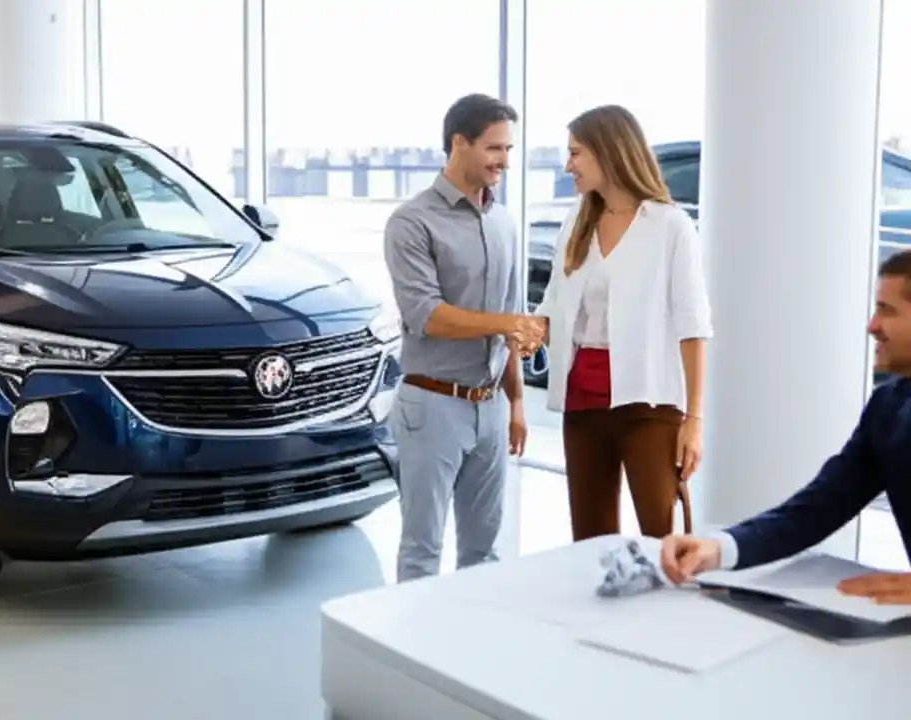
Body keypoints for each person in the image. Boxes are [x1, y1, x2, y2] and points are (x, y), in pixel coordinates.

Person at [662, 250, 911, 603]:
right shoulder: (887, 409)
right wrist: (719, 548)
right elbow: (821, 506)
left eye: (886, 310)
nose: (872, 326)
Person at [533, 104, 713, 541]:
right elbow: (553, 307)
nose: (567, 165)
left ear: (609, 153)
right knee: (590, 540)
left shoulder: (670, 226)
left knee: (661, 537)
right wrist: (530, 329)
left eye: (576, 153)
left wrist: (694, 420)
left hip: (649, 406)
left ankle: (663, 611)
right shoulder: (577, 222)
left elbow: (693, 326)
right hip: (582, 402)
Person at [383, 93, 543, 583]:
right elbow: (426, 314)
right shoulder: (411, 222)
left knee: (485, 552)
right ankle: (411, 654)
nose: (505, 161)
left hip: (491, 407)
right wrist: (506, 325)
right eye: (495, 148)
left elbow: (512, 316)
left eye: (510, 150)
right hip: (432, 407)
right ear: (459, 143)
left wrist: (515, 402)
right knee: (421, 551)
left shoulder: (504, 222)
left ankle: (467, 651)